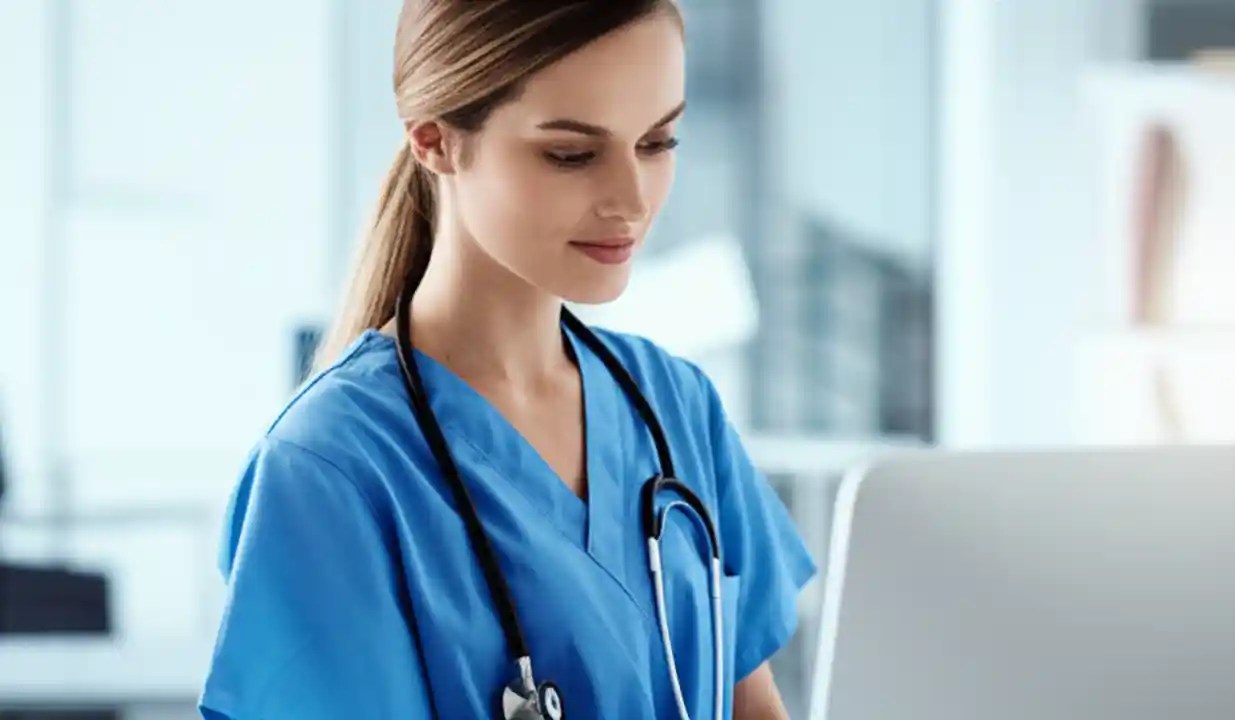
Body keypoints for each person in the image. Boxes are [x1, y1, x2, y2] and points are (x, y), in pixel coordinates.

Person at [199, 1, 816, 718]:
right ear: (436, 142)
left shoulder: (676, 406)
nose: (632, 201)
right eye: (571, 154)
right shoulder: (332, 467)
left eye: (658, 142)